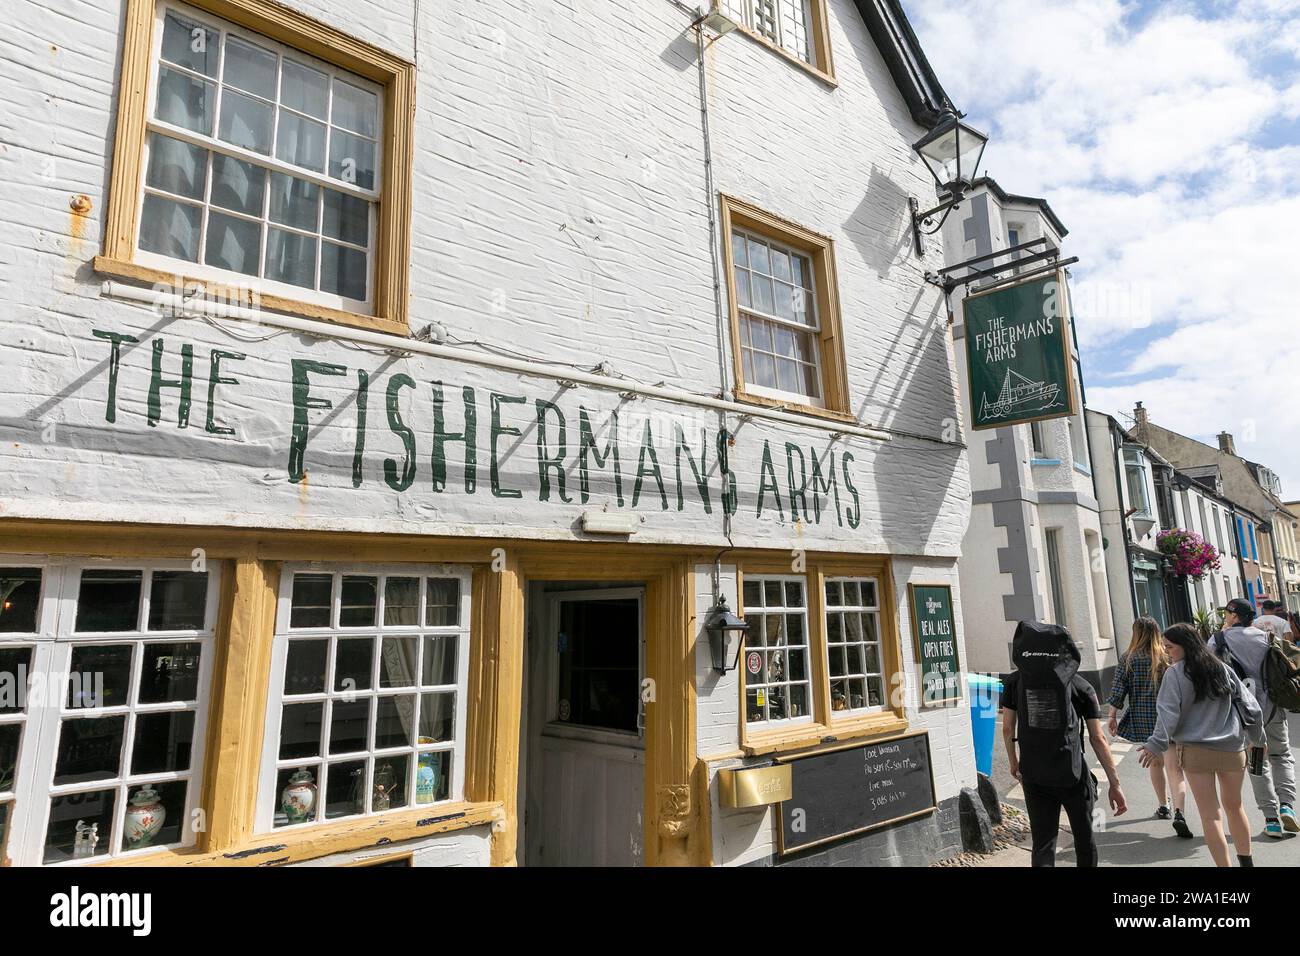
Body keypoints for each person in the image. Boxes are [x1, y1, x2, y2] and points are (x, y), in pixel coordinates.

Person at [1002, 621, 1127, 867]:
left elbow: (1007, 728)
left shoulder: (1014, 682)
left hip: (1034, 774)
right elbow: (1098, 739)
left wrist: (1014, 762)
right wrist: (1114, 783)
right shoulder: (1082, 686)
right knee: (1084, 838)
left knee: (1043, 843)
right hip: (1071, 773)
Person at [1140, 623, 1262, 866]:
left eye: (1170, 647)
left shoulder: (1174, 674)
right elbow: (1251, 707)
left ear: (1185, 645)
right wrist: (1258, 740)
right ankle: (1246, 863)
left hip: (1196, 752)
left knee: (1210, 817)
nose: (1166, 652)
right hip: (1232, 748)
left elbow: (1167, 714)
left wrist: (1155, 744)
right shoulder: (1221, 668)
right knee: (1236, 807)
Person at [1215, 597, 1299, 837]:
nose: (1225, 618)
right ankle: (1287, 806)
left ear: (1234, 615)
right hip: (1272, 707)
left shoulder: (1219, 640)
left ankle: (1271, 819)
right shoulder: (1266, 638)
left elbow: (1207, 669)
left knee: (1257, 762)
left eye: (1227, 614)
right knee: (1281, 755)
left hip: (1243, 712)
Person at [1107, 616, 1192, 837]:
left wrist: (1112, 716)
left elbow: (1118, 690)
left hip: (1145, 718)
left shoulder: (1129, 658)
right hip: (1170, 717)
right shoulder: (1167, 656)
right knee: (1175, 768)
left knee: (1155, 764)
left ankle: (1163, 805)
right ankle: (1179, 811)